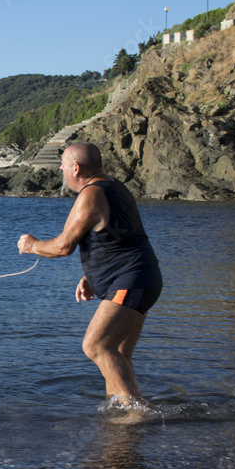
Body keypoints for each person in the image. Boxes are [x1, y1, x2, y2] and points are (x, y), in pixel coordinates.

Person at [17, 142, 162, 408]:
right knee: (116, 352)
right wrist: (92, 276)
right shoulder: (114, 186)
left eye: (63, 165)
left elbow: (63, 246)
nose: (60, 169)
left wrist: (32, 245)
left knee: (95, 346)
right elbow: (119, 237)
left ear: (76, 167)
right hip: (141, 279)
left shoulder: (91, 194)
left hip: (132, 280)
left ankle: (138, 412)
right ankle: (118, 415)